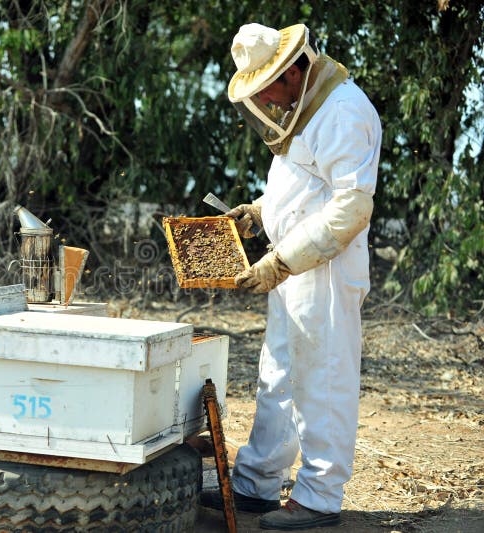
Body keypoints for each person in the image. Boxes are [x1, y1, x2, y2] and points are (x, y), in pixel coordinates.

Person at [203, 22, 382, 530]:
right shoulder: (308, 109)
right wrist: (259, 212)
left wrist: (282, 260)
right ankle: (256, 483)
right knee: (278, 375)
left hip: (325, 270)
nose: (264, 101)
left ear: (293, 72)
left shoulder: (343, 111)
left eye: (267, 88)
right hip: (294, 267)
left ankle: (320, 497)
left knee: (322, 379)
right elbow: (304, 186)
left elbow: (350, 208)